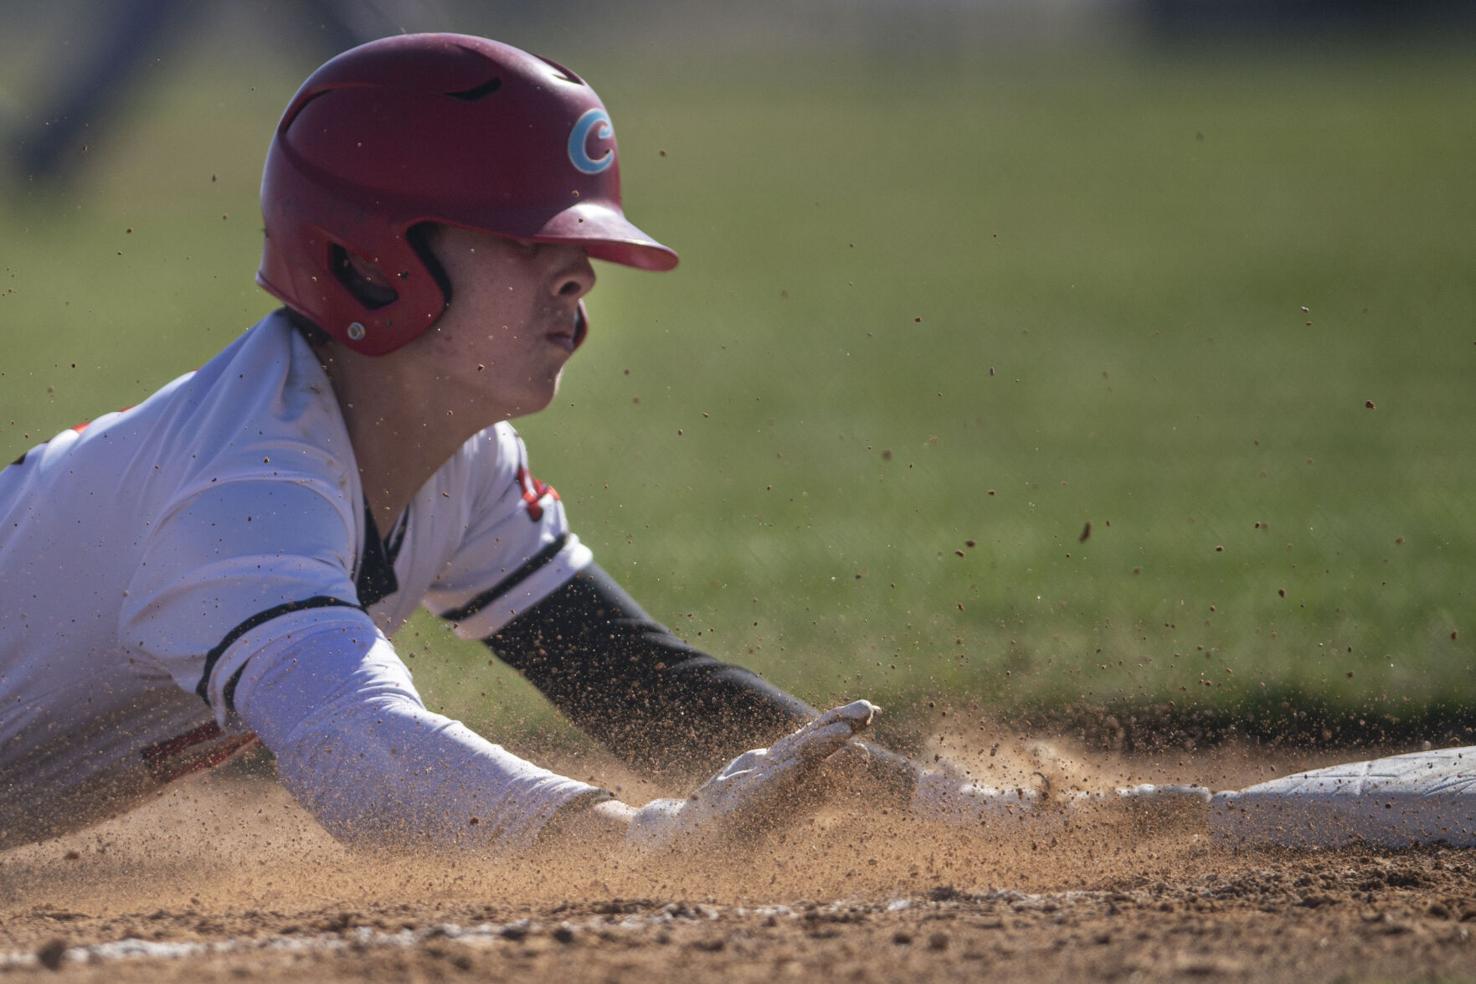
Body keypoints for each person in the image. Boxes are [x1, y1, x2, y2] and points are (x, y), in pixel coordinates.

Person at [0, 34, 1032, 855]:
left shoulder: (456, 455)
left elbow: (633, 680)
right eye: (526, 238)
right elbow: (360, 750)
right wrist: (640, 843)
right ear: (370, 266)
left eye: (579, 247)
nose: (579, 274)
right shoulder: (247, 493)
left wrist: (981, 820)